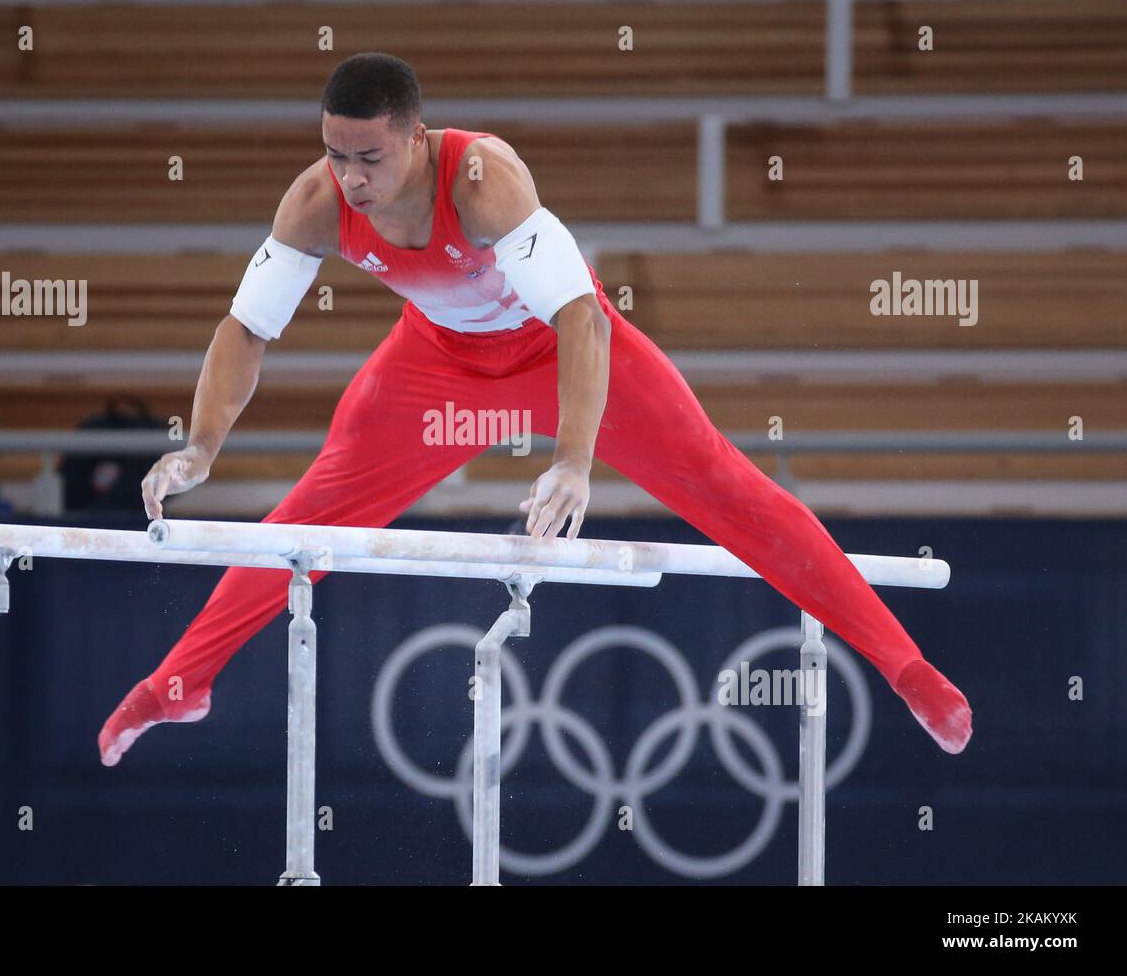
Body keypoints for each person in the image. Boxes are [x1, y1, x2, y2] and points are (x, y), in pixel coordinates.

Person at [99, 53, 971, 766]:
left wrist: (573, 457)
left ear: (417, 135)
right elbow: (247, 329)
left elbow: (580, 315)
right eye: (336, 153)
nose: (351, 177)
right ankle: (179, 682)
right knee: (306, 519)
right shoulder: (315, 204)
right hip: (437, 365)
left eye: (370, 157)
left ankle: (906, 668)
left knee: (728, 490)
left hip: (566, 351)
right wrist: (202, 445)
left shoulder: (486, 182)